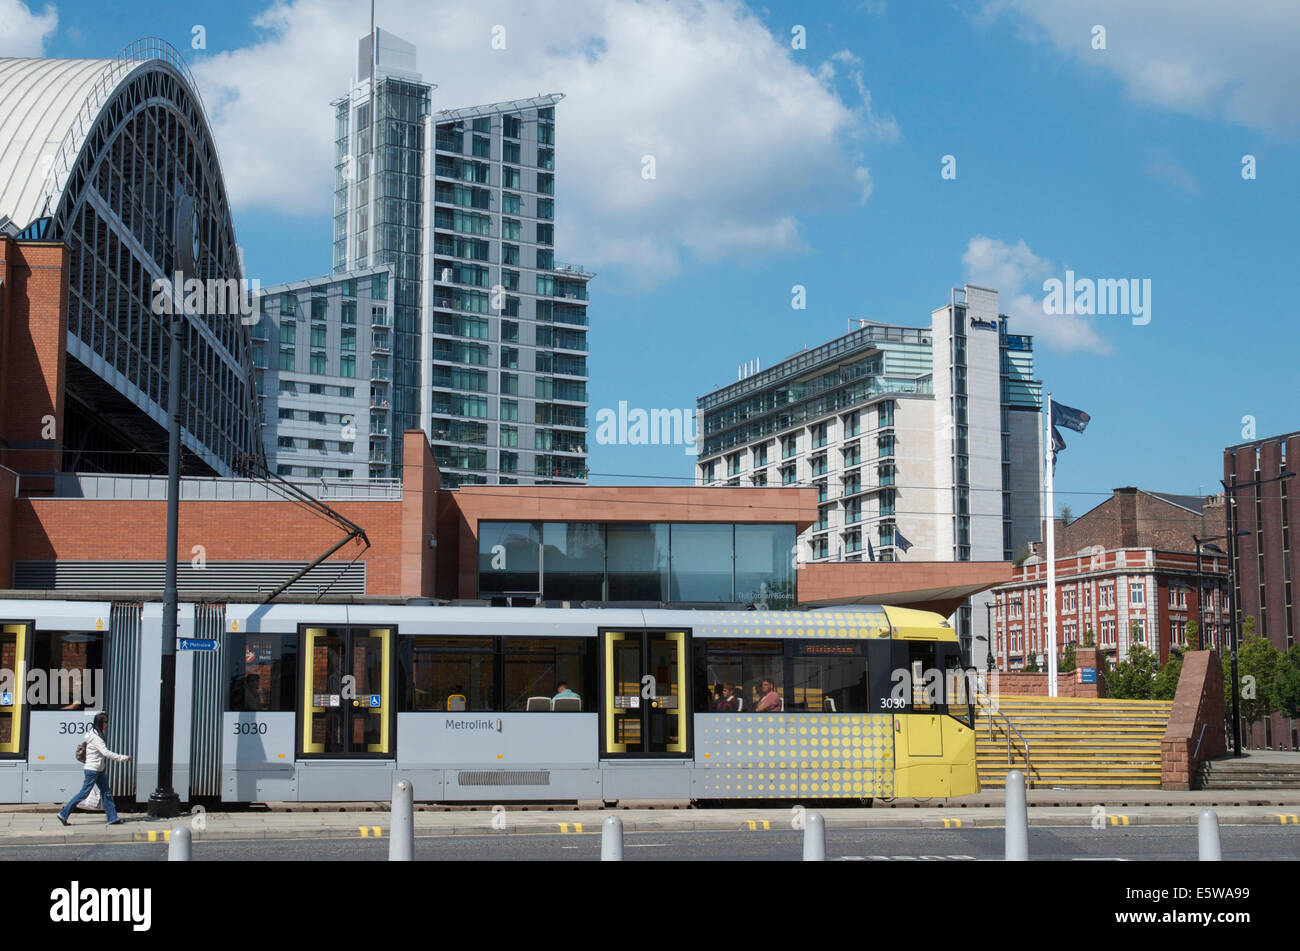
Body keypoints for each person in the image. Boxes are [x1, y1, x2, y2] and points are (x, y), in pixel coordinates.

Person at [57, 713, 130, 826]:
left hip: (98, 770)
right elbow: (105, 753)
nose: (107, 724)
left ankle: (112, 818)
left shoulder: (94, 734)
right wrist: (123, 758)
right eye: (105, 722)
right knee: (84, 794)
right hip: (93, 770)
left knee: (106, 793)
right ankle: (63, 813)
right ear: (100, 723)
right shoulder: (96, 738)